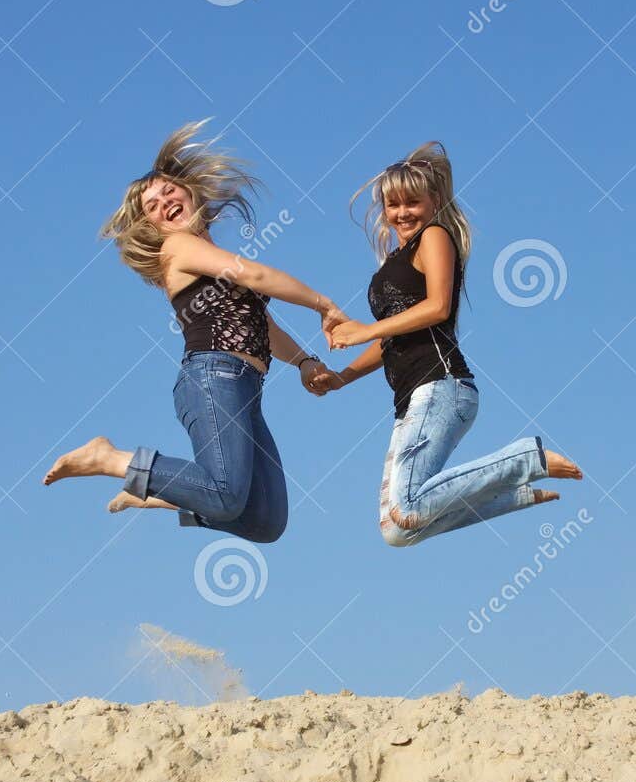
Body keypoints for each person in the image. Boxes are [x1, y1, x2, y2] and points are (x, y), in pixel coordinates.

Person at [43, 121, 343, 543]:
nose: (164, 202)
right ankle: (110, 458)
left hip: (245, 388)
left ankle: (152, 491)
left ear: (190, 193)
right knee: (224, 495)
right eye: (152, 205)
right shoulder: (177, 248)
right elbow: (255, 273)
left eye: (169, 192)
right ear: (152, 226)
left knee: (266, 520)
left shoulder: (208, 256)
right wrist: (323, 304)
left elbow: (264, 327)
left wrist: (305, 362)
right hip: (211, 379)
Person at [319, 142, 582, 546]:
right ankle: (517, 493)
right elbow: (393, 334)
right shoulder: (395, 258)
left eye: (412, 202)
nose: (402, 212)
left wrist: (362, 330)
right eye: (393, 204)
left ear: (435, 200)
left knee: (405, 508)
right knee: (396, 530)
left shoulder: (435, 236)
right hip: (409, 399)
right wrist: (341, 377)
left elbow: (438, 307)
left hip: (440, 386)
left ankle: (526, 459)